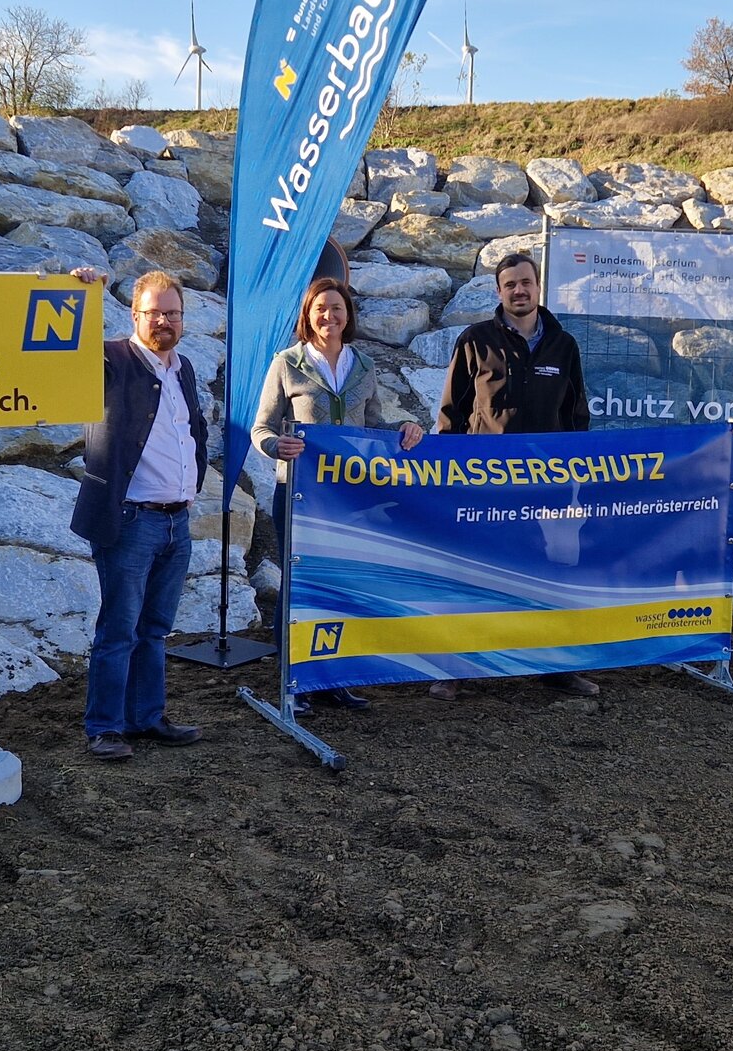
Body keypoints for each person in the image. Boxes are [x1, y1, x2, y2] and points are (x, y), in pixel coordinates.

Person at [253, 277, 424, 712]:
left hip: (349, 499)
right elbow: (262, 428)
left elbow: (371, 428)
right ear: (308, 316)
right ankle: (296, 678)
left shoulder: (364, 366)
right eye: (321, 309)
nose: (329, 316)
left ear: (349, 314)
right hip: (298, 494)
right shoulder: (286, 363)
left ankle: (334, 676)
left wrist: (404, 429)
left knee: (340, 582)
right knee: (298, 586)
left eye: (337, 308)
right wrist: (277, 446)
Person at [433, 251, 599, 699]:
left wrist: (574, 477)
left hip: (548, 487)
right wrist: (450, 482)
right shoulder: (475, 340)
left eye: (526, 282)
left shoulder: (564, 345)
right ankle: (457, 667)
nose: (519, 291)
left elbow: (576, 415)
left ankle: (554, 665)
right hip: (485, 486)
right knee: (476, 573)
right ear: (499, 291)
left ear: (538, 286)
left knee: (550, 574)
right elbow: (451, 415)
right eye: (510, 285)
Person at [68, 268, 207, 761]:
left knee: (154, 629)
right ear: (135, 315)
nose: (165, 321)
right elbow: (69, 354)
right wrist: (86, 294)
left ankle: (147, 718)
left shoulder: (183, 367)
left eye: (172, 313)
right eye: (155, 313)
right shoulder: (110, 359)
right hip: (130, 521)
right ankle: (104, 728)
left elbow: (193, 431)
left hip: (177, 521)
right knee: (119, 629)